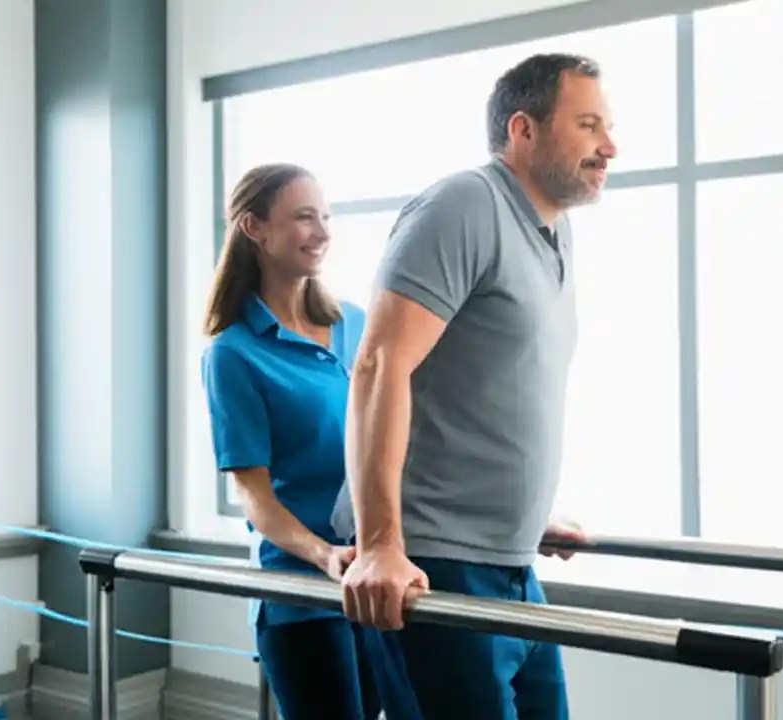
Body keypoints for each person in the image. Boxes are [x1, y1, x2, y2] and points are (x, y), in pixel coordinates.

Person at [337, 53, 618, 719]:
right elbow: (380, 364)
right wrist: (380, 543)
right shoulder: (464, 204)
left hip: (512, 562)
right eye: (587, 126)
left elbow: (496, 385)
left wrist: (519, 510)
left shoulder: (555, 231)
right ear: (524, 130)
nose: (610, 146)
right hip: (434, 559)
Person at [201, 163, 382, 719]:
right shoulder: (232, 353)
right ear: (254, 227)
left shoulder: (357, 322)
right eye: (304, 217)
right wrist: (327, 557)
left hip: (376, 578)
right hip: (303, 594)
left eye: (324, 217)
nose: (322, 231)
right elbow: (256, 497)